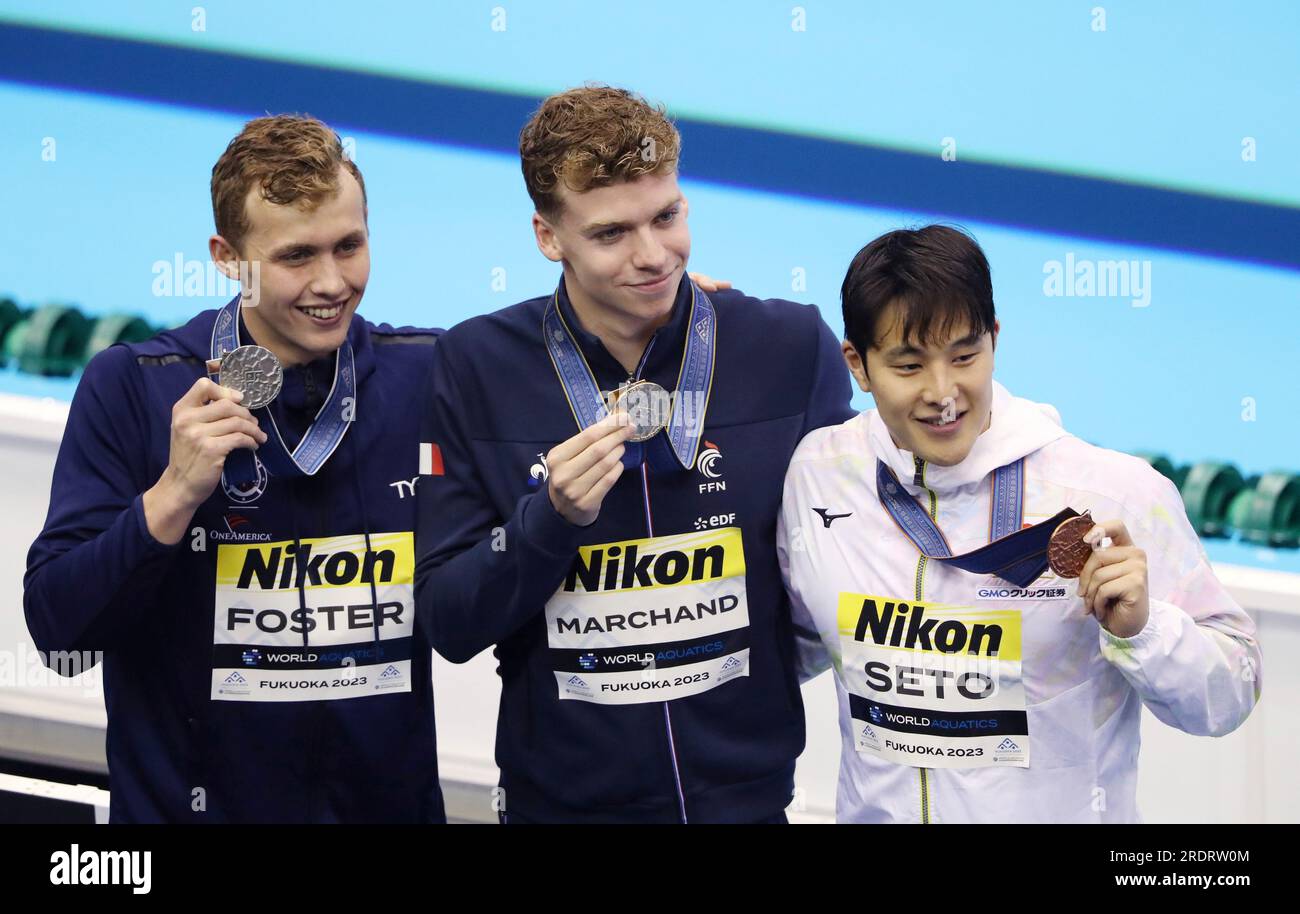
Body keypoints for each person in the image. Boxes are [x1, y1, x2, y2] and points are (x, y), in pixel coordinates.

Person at [413, 86, 854, 823]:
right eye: (612, 234)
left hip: (750, 805)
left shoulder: (788, 348)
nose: (653, 256)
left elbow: (848, 557)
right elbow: (450, 625)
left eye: (667, 217)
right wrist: (546, 522)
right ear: (548, 237)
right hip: (562, 808)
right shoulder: (476, 365)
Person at [24, 115, 446, 823]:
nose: (332, 282)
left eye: (350, 245)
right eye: (296, 256)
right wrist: (170, 498)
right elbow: (61, 641)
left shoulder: (428, 378)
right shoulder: (135, 386)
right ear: (227, 256)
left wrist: (677, 315)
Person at [777, 224, 1262, 823]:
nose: (943, 392)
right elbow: (785, 650)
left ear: (995, 339)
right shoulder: (821, 476)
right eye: (908, 366)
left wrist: (1145, 630)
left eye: (964, 356)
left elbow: (1231, 695)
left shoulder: (1111, 494)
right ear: (858, 363)